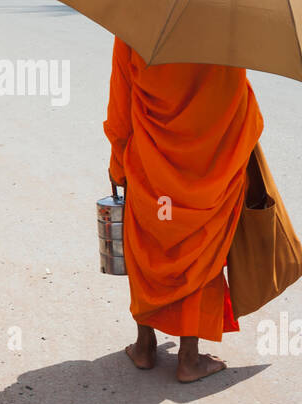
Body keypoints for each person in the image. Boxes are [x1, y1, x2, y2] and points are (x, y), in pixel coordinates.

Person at [104, 37, 263, 383]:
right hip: (209, 168)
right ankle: (189, 357)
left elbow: (121, 103)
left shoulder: (135, 23)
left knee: (147, 247)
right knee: (200, 252)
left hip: (150, 163)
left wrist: (118, 163)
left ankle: (144, 345)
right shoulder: (226, 25)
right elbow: (240, 103)